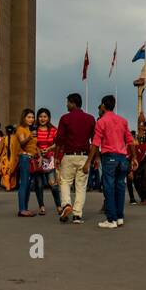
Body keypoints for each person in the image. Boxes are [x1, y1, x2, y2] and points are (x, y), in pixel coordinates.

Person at [90, 94, 134, 228]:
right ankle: (119, 217)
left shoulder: (101, 121)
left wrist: (89, 161)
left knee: (108, 187)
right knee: (120, 187)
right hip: (122, 157)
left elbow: (96, 143)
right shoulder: (123, 120)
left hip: (109, 156)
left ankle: (111, 219)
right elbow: (130, 140)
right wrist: (135, 158)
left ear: (103, 106)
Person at [54, 93, 95, 224]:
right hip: (84, 156)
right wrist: (95, 158)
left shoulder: (65, 118)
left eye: (68, 102)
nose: (66, 105)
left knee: (65, 181)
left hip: (69, 155)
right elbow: (94, 140)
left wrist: (56, 156)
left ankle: (66, 204)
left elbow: (59, 139)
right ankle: (77, 215)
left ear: (73, 103)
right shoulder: (90, 118)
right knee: (81, 186)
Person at [35, 108, 61, 214]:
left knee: (53, 184)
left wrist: (49, 149)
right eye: (40, 116)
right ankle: (41, 207)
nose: (42, 119)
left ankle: (59, 206)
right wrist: (39, 153)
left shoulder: (53, 130)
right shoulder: (34, 130)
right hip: (38, 160)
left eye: (45, 116)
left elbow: (58, 143)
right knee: (39, 185)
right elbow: (33, 143)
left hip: (49, 160)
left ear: (48, 118)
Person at [16, 108, 38, 217]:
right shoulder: (21, 129)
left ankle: (25, 208)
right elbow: (22, 142)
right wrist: (29, 136)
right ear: (24, 118)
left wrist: (39, 155)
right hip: (24, 158)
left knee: (29, 185)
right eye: (29, 117)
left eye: (33, 117)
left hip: (31, 158)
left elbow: (34, 145)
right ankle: (22, 209)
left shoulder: (31, 130)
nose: (31, 119)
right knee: (24, 183)